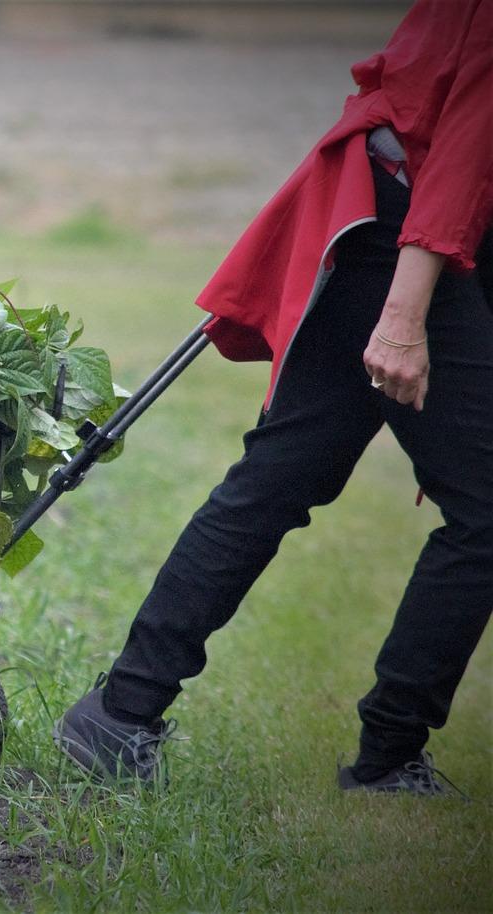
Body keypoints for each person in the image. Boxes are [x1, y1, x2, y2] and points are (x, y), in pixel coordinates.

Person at [54, 0, 492, 795]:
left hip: (387, 219)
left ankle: (120, 713)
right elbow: (467, 149)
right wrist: (402, 319)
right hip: (407, 231)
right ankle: (389, 753)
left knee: (279, 479)